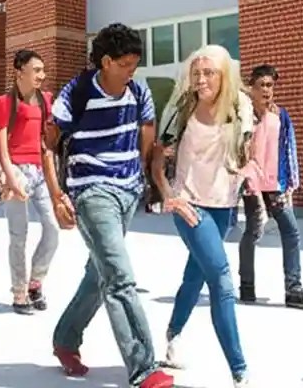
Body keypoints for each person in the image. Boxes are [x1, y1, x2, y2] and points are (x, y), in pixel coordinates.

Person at [44, 23, 174, 388]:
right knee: (119, 277)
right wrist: (58, 196)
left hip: (127, 192)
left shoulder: (139, 92)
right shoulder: (76, 93)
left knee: (99, 274)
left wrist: (148, 178)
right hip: (92, 192)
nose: (132, 70)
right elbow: (48, 146)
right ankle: (144, 368)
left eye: (135, 64)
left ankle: (65, 339)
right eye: (126, 64)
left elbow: (146, 129)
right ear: (105, 61)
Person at [151, 45, 257, 387]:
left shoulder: (240, 106)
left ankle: (172, 334)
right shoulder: (181, 108)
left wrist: (250, 170)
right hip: (189, 205)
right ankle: (240, 370)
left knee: (195, 276)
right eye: (196, 73)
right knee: (222, 280)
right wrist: (170, 197)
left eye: (209, 72)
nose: (201, 79)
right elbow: (156, 162)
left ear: (225, 75)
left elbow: (248, 153)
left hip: (224, 206)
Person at [237, 63, 303, 311]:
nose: (266, 90)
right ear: (251, 87)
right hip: (251, 181)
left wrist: (292, 181)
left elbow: (289, 147)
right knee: (253, 230)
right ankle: (247, 286)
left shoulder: (279, 115)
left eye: (270, 85)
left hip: (275, 182)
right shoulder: (243, 115)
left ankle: (293, 290)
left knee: (291, 230)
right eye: (261, 85)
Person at [0, 49, 60, 315]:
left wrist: (55, 185)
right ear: (19, 71)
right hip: (16, 171)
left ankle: (36, 282)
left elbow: (47, 145)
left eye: (43, 70)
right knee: (18, 235)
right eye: (36, 70)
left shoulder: (46, 100)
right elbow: (1, 147)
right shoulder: (4, 103)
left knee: (53, 228)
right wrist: (11, 180)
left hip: (40, 171)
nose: (42, 76)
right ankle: (19, 291)